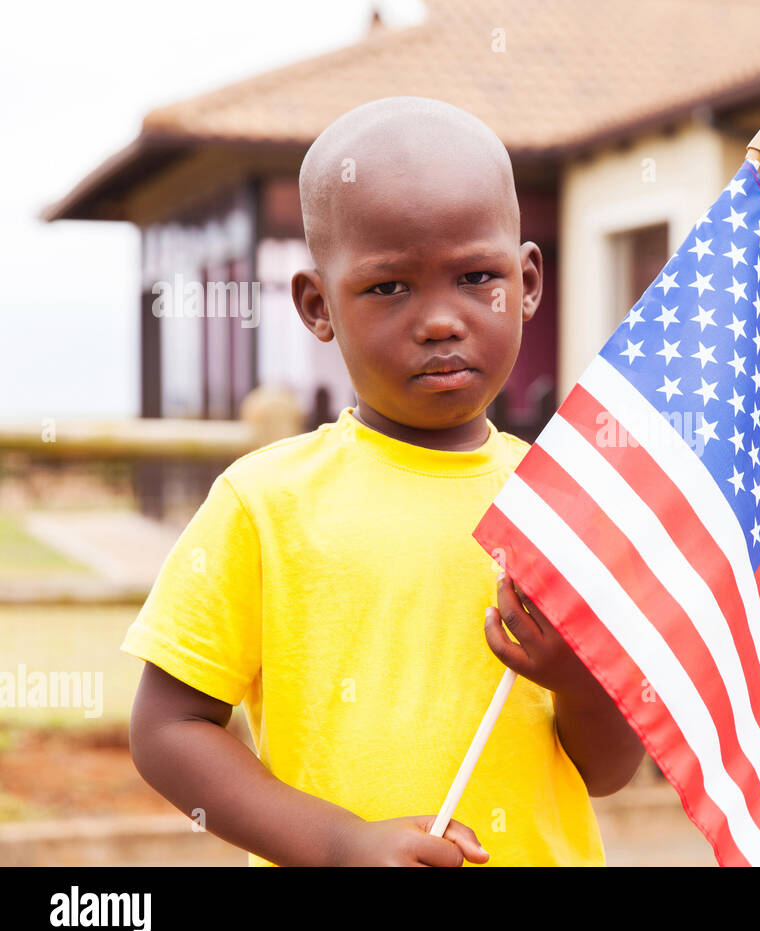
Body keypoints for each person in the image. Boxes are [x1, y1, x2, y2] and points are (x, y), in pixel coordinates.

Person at [122, 97, 645, 866]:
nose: (440, 320)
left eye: (476, 276)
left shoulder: (566, 509)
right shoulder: (265, 504)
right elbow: (167, 731)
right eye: (389, 287)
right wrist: (338, 844)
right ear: (317, 305)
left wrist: (578, 679)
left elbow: (607, 771)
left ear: (527, 282)